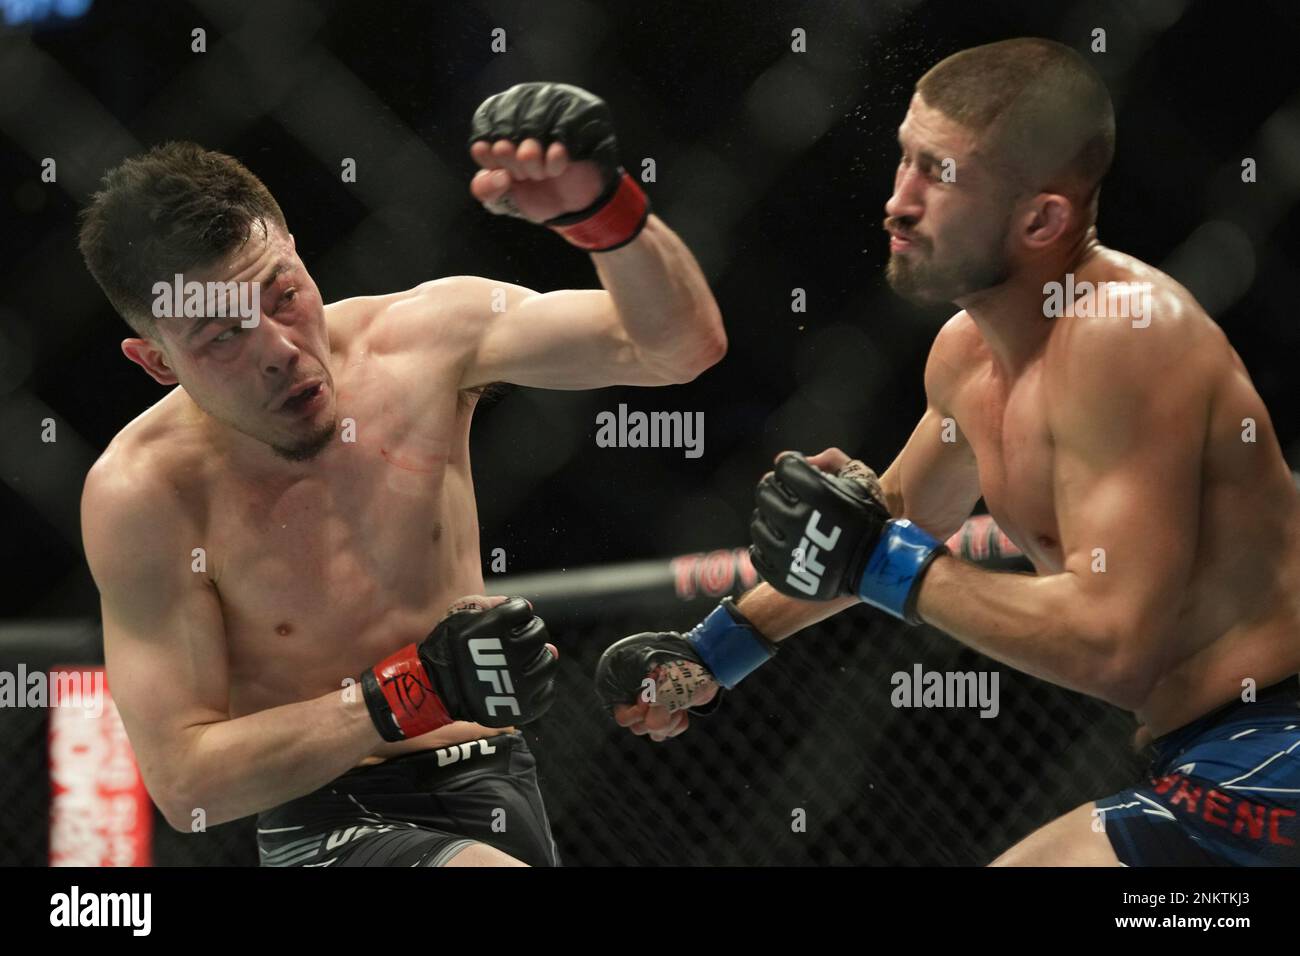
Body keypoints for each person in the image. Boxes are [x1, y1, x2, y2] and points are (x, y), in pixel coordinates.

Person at [597, 39, 1300, 866]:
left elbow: (1112, 646)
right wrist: (712, 653)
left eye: (940, 175)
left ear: (1041, 219)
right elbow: (890, 516)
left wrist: (885, 561)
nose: (899, 201)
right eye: (904, 159)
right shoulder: (968, 356)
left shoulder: (1123, 338)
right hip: (1219, 756)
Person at [78, 82, 726, 866]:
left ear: (300, 255)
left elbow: (675, 349)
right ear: (155, 362)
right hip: (329, 820)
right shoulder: (145, 492)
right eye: (220, 337)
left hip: (502, 787)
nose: (279, 348)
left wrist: (604, 216)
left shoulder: (426, 339)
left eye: (283, 294)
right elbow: (186, 785)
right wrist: (411, 691)